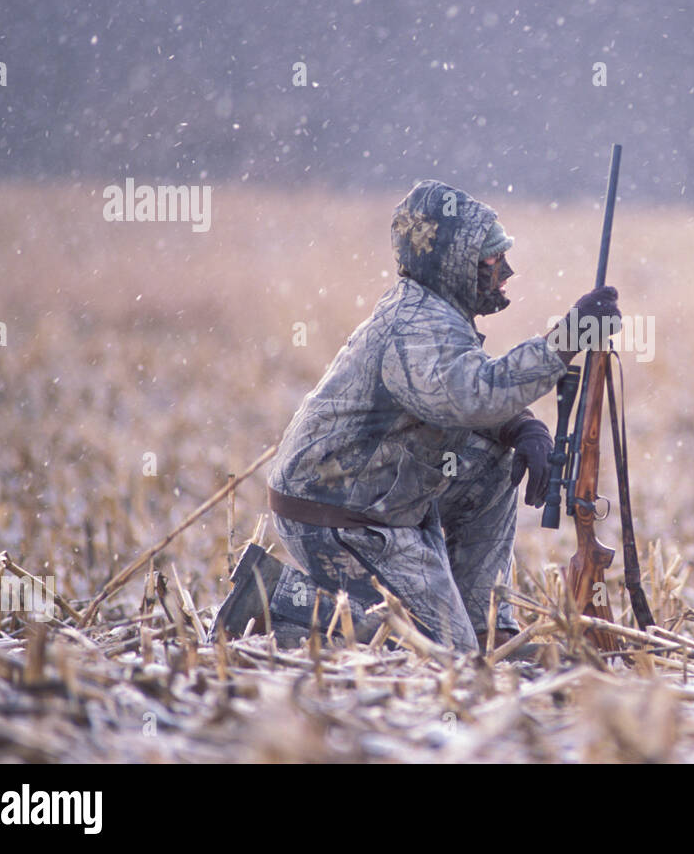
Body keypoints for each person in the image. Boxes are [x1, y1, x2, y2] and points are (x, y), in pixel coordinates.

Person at [210, 179, 620, 653]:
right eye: (490, 258)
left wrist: (521, 427)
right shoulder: (417, 326)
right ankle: (276, 603)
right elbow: (472, 396)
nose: (506, 269)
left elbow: (455, 391)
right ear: (450, 264)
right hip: (343, 515)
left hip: (376, 493)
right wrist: (568, 337)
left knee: (494, 464)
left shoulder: (435, 310)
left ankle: (484, 621)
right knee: (440, 656)